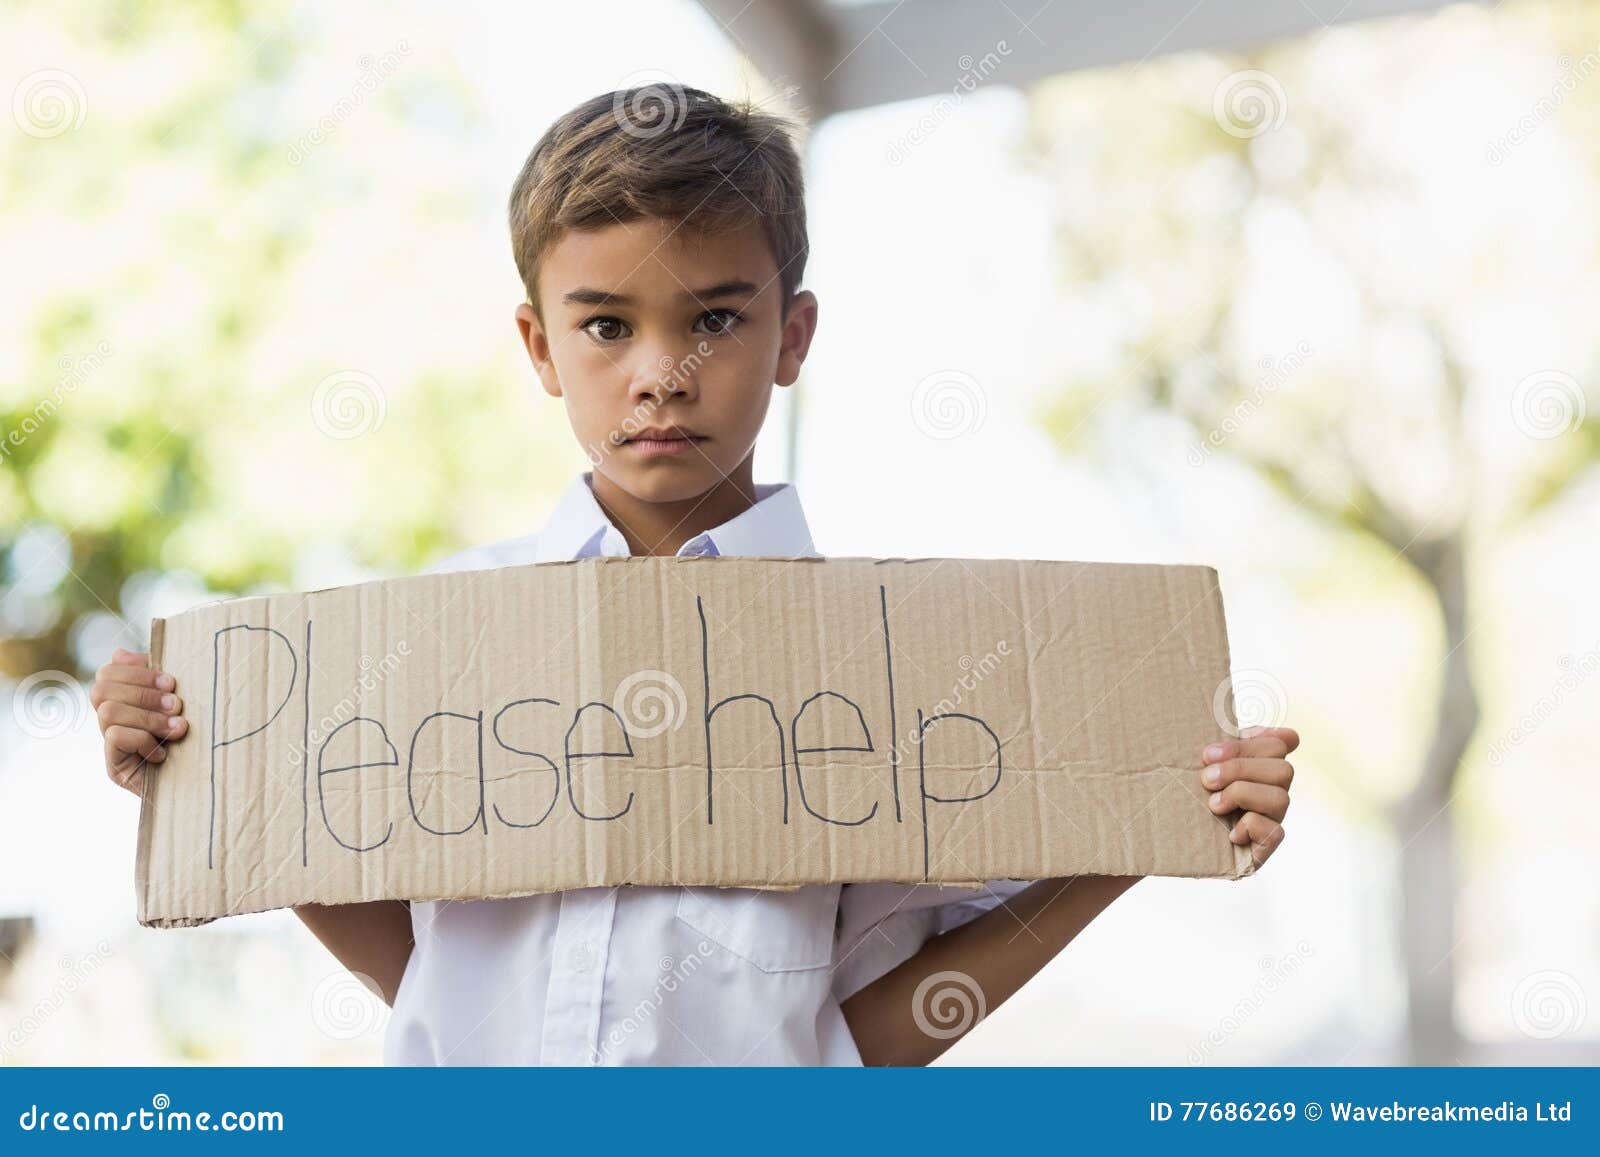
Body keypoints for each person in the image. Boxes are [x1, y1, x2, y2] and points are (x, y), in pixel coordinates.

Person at [89, 85, 1298, 1065]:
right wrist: (205, 769)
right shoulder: (435, 632)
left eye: (714, 319)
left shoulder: (891, 663)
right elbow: (424, 976)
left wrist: (1148, 822)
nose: (660, 373)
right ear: (539, 347)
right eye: (607, 326)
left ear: (793, 336)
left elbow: (865, 1036)